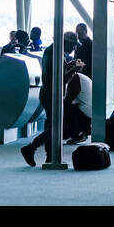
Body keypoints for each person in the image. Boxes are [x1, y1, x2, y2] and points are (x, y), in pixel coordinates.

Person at [21, 31, 82, 166]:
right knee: (57, 126)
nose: (74, 49)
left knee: (52, 126)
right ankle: (31, 148)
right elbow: (58, 79)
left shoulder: (53, 52)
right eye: (73, 46)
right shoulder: (56, 54)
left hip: (49, 93)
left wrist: (69, 66)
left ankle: (49, 156)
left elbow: (56, 75)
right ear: (67, 43)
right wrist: (73, 70)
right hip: (51, 94)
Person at [65, 71, 92, 142]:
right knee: (71, 105)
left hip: (87, 113)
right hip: (91, 111)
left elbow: (68, 99)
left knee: (65, 106)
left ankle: (77, 134)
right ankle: (82, 133)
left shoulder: (75, 79)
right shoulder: (81, 77)